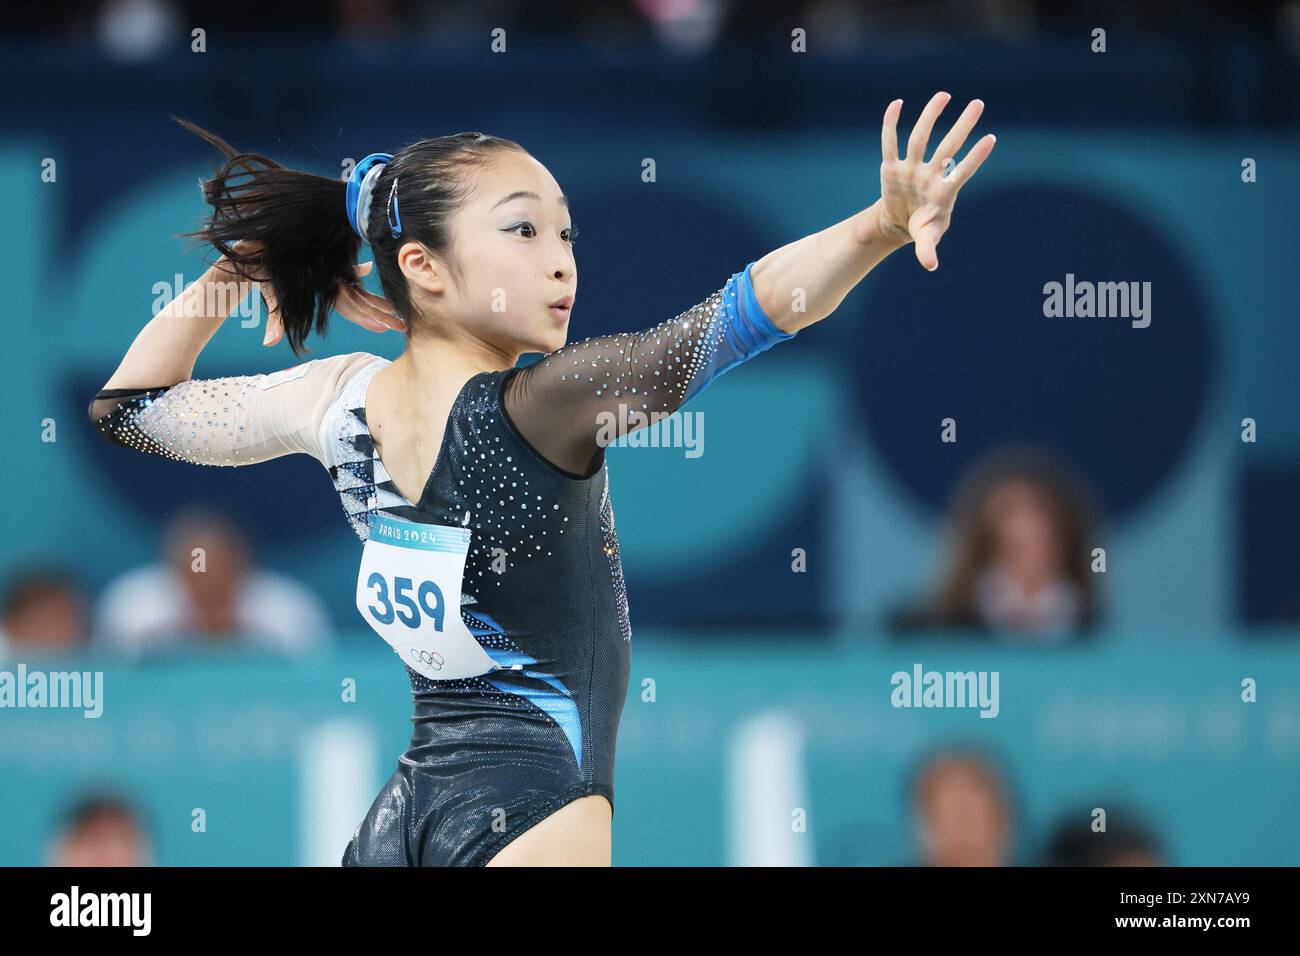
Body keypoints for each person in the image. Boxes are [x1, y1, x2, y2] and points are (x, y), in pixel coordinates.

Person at [88, 91, 996, 866]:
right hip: (487, 805)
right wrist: (876, 225)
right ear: (422, 267)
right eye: (522, 229)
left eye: (565, 230)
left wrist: (232, 275)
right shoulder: (513, 404)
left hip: (476, 818)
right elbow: (736, 319)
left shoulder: (339, 404)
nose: (560, 258)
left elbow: (130, 407)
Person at [890, 447, 1102, 640]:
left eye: (1044, 544)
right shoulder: (939, 627)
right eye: (1015, 550)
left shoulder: (1089, 629)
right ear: (985, 547)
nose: (1031, 564)